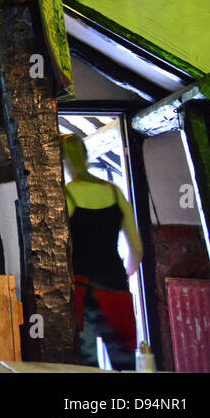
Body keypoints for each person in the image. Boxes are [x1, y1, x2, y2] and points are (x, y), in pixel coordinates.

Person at [62, 133, 143, 368]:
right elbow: (136, 248)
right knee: (124, 359)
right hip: (114, 282)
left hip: (82, 286)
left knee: (87, 362)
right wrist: (124, 274)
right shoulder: (114, 192)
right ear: (87, 157)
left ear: (63, 161)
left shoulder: (66, 195)